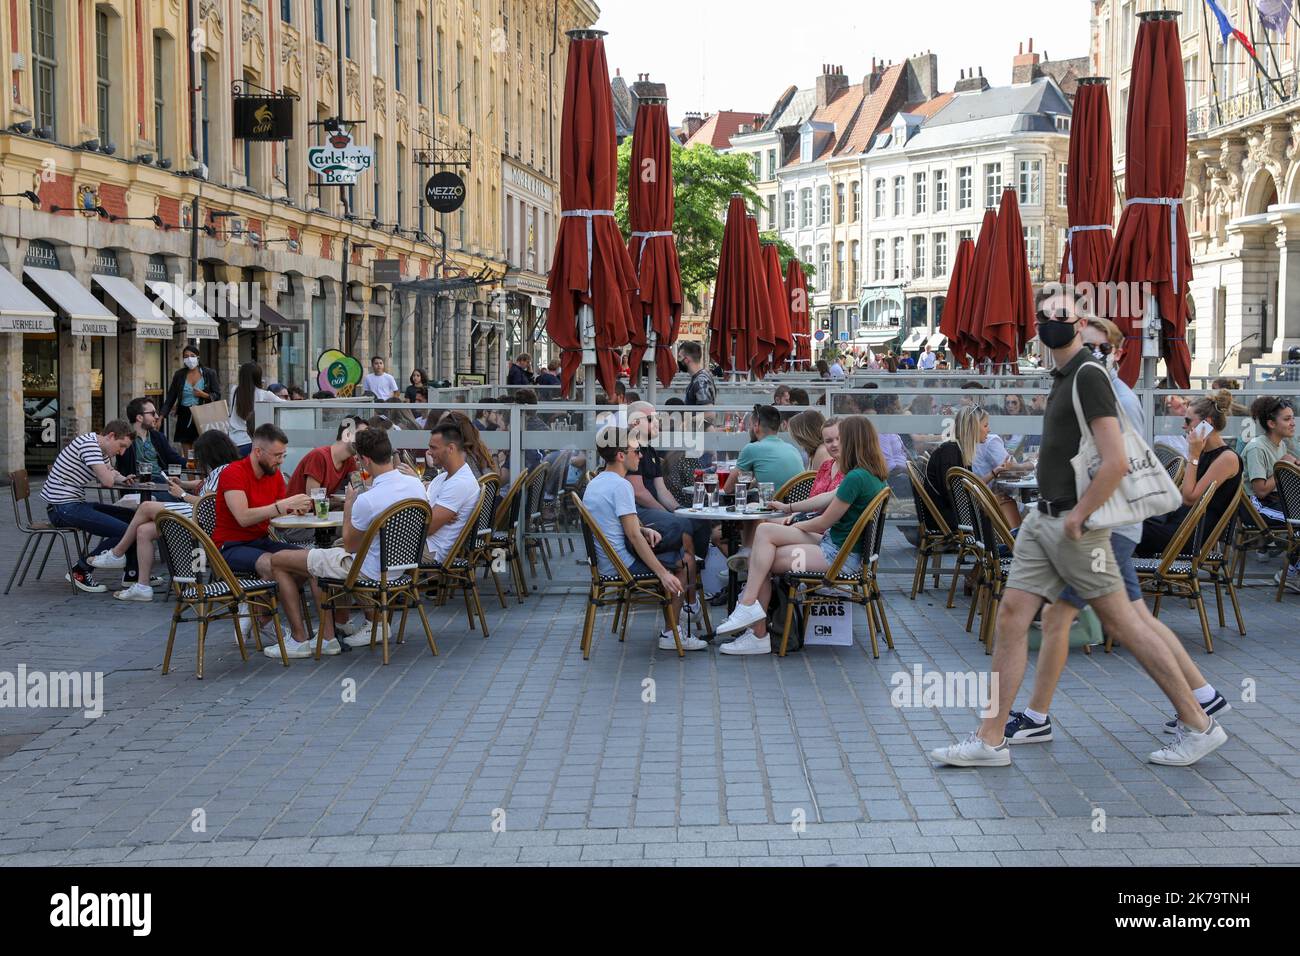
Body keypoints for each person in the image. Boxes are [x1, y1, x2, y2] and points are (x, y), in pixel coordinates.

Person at [929, 286, 1228, 769]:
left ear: (1080, 323)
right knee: (1012, 615)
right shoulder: (1064, 376)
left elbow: (1113, 462)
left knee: (1125, 623)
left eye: (1060, 314)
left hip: (1074, 524)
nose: (1050, 321)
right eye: (1043, 314)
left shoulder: (1088, 375)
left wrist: (1079, 513)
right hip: (1044, 520)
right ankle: (991, 738)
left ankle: (1199, 722)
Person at [1006, 316, 1231, 744]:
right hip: (1107, 524)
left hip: (1106, 524)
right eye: (1085, 346)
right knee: (1131, 618)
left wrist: (1079, 516)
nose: (1090, 354)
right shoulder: (1094, 385)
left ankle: (1038, 716)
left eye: (1099, 348)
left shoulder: (1111, 394)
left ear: (1116, 351)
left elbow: (1115, 464)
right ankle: (1202, 696)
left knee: (1071, 617)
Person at [713, 415, 889, 654]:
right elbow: (826, 498)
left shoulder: (856, 477)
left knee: (762, 560)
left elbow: (825, 520)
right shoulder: (869, 475)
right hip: (840, 549)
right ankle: (749, 614)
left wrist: (794, 527)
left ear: (854, 441)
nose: (838, 444)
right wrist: (789, 509)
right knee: (764, 535)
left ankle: (756, 629)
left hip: (838, 558)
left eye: (843, 438)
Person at [211, 423, 335, 657]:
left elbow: (279, 510)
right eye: (277, 455)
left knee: (315, 561)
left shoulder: (274, 474)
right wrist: (281, 506)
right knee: (277, 565)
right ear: (258, 452)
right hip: (230, 546)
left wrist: (297, 508)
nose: (281, 461)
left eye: (283, 455)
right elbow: (243, 517)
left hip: (261, 540)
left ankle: (327, 638)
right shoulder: (233, 472)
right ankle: (295, 636)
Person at [304, 426, 428, 647]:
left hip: (373, 572)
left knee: (297, 563)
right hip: (404, 566)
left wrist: (350, 505)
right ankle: (344, 623)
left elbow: (351, 545)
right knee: (335, 551)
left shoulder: (367, 500)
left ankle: (326, 639)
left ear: (365, 460)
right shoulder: (415, 486)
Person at [583, 425, 698, 651]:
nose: (641, 455)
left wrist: (645, 529)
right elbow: (634, 538)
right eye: (636, 450)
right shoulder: (621, 486)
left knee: (673, 540)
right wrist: (663, 574)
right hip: (622, 565)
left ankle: (676, 625)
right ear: (620, 455)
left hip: (607, 562)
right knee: (686, 562)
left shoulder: (596, 482)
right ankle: (671, 633)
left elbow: (625, 527)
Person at [92, 430, 242, 601]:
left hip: (204, 521)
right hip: (200, 518)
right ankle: (142, 586)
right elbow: (206, 484)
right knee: (144, 531)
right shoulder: (225, 468)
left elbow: (208, 502)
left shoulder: (224, 470)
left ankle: (117, 553)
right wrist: (184, 483)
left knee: (146, 506)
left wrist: (182, 494)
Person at [624, 403, 707, 617]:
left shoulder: (649, 450)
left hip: (650, 513)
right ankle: (690, 591)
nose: (657, 423)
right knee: (684, 525)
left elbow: (661, 490)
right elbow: (639, 492)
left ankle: (690, 574)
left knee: (696, 521)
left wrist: (679, 509)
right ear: (634, 423)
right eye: (650, 419)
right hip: (638, 515)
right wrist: (670, 515)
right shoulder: (631, 448)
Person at [1137, 390, 1241, 558]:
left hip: (1188, 535)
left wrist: (1193, 455)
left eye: (1188, 420)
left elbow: (1189, 497)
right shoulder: (1206, 453)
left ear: (1206, 424)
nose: (1184, 426)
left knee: (1124, 528)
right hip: (1178, 525)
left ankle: (1120, 580)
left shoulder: (1227, 458)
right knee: (1125, 520)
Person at [42, 420, 137, 593]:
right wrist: (113, 475)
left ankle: (133, 573)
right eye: (121, 446)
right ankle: (80, 570)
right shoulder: (89, 445)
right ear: (111, 436)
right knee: (125, 530)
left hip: (73, 504)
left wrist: (121, 477)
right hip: (62, 508)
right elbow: (107, 481)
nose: (122, 452)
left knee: (135, 518)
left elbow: (111, 472)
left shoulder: (100, 448)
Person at [1241, 395, 1300, 587]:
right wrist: (1282, 466)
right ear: (1271, 423)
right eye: (1287, 419)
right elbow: (1260, 491)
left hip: (1273, 502)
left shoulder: (1280, 444)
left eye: (1292, 418)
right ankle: (1291, 574)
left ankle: (1293, 570)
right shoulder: (1257, 447)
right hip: (1255, 507)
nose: (1293, 423)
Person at [420, 422, 483, 566]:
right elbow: (424, 508)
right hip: (423, 545)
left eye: (433, 447)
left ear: (451, 449)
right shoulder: (443, 477)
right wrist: (429, 512)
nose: (428, 452)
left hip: (431, 550)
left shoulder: (460, 483)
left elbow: (427, 527)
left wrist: (428, 514)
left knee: (372, 542)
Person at [725, 404, 805, 496]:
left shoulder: (751, 449)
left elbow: (728, 489)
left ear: (756, 425)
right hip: (797, 506)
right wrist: (755, 482)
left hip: (776, 507)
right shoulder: (792, 449)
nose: (749, 429)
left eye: (750, 425)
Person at [117, 396, 186, 496]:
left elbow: (173, 458)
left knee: (185, 496)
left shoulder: (158, 437)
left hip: (160, 482)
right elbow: (121, 469)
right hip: (137, 486)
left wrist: (195, 463)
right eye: (153, 413)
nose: (157, 416)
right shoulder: (125, 440)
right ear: (139, 417)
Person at [160, 345, 219, 454]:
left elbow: (217, 394)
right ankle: (190, 469)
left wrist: (203, 395)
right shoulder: (179, 375)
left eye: (192, 356)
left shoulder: (209, 373)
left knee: (201, 450)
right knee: (188, 455)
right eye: (186, 356)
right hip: (184, 415)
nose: (189, 359)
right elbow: (170, 398)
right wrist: (161, 417)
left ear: (198, 357)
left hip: (202, 415)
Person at [286, 418, 364, 497]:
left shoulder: (350, 461)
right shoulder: (319, 456)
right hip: (295, 508)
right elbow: (313, 499)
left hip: (319, 508)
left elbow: (360, 490)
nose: (365, 440)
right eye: (361, 435)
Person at [228, 362, 284, 456]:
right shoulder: (264, 394)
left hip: (233, 442)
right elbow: (286, 404)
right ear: (258, 377)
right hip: (250, 442)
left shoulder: (234, 391)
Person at [809, 418, 844, 495]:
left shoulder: (855, 468)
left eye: (839, 439)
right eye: (829, 441)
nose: (834, 444)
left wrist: (789, 507)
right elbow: (812, 496)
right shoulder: (825, 466)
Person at [678, 341, 716, 406]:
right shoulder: (701, 376)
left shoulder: (700, 380)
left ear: (686, 359)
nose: (678, 360)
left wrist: (687, 416)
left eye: (679, 357)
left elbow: (709, 413)